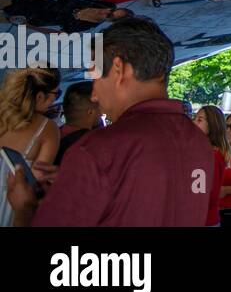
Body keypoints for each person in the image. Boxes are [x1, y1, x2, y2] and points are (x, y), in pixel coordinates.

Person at [13, 18, 213, 227]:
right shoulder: (200, 143)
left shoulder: (98, 150)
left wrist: (24, 209)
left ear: (118, 70)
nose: (94, 95)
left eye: (95, 77)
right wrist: (78, 180)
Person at [0, 68, 60, 226]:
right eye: (56, 94)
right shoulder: (47, 129)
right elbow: (37, 183)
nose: (54, 101)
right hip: (12, 214)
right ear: (40, 96)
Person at [194, 105, 229, 227]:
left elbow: (209, 193)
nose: (193, 122)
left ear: (212, 126)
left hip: (203, 220)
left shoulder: (212, 156)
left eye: (199, 120)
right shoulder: (202, 152)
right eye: (195, 118)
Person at [54, 81, 102, 165]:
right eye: (101, 106)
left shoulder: (52, 135)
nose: (102, 111)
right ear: (90, 112)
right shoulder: (91, 145)